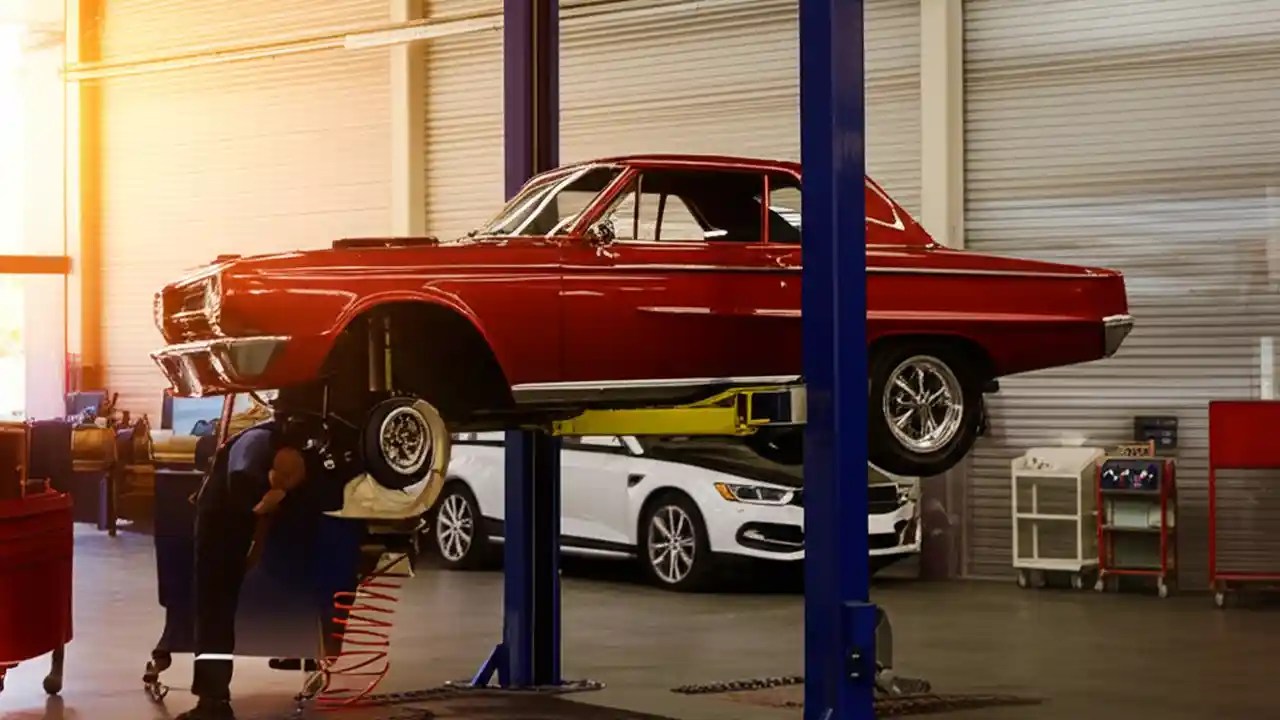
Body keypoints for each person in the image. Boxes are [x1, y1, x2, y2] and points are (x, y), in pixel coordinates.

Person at [175, 413, 312, 720]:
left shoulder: (269, 443)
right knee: (214, 615)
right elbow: (240, 479)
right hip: (218, 530)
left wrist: (274, 499)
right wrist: (268, 499)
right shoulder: (256, 443)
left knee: (215, 615)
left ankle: (213, 701)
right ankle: (213, 700)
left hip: (230, 528)